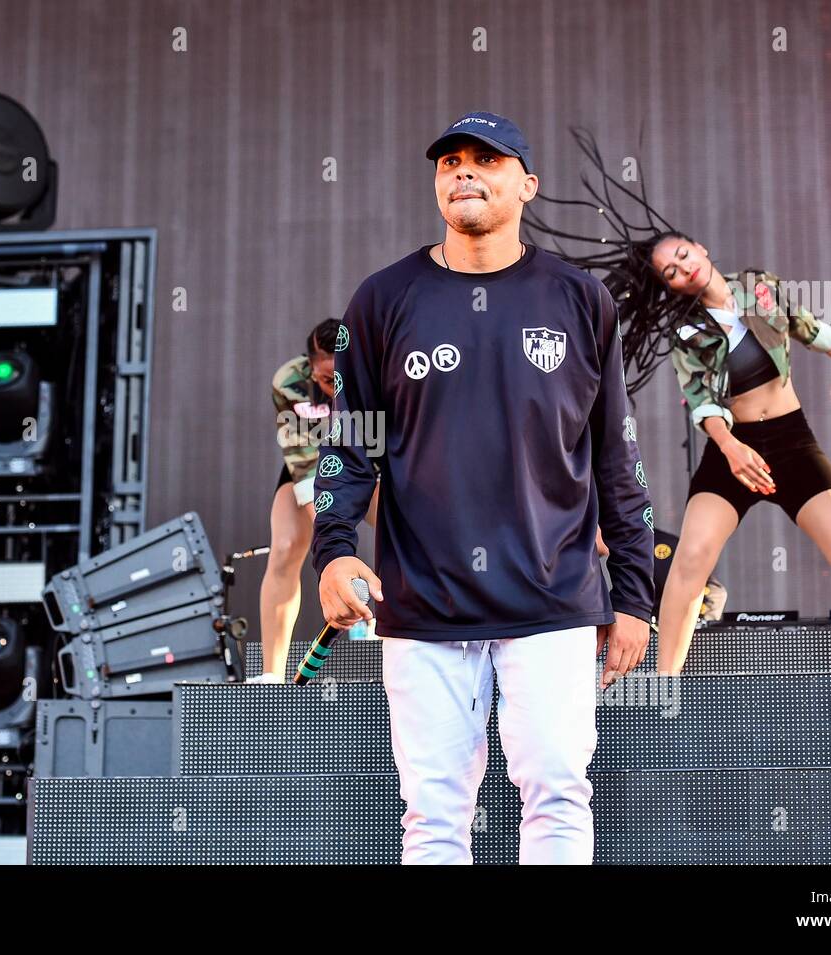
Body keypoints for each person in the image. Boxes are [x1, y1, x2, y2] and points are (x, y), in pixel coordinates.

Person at [311, 112, 655, 864]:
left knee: (558, 796)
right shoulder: (381, 299)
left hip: (552, 596)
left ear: (526, 185)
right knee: (434, 817)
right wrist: (332, 551)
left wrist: (634, 593)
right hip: (425, 602)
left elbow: (616, 457)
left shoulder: (579, 298)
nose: (464, 171)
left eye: (486, 160)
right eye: (450, 161)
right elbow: (348, 444)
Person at [524, 128, 831, 675]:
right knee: (689, 562)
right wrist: (732, 449)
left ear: (700, 249)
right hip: (732, 447)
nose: (683, 268)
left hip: (791, 439)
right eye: (671, 271)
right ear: (671, 285)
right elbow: (701, 400)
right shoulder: (688, 332)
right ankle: (665, 690)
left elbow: (806, 325)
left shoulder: (759, 284)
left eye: (684, 256)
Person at [256, 320, 378, 682]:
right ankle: (271, 675)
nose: (335, 387)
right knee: (286, 545)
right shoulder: (288, 382)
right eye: (327, 380)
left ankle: (390, 628)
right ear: (309, 366)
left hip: (370, 459)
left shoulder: (376, 370)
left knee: (400, 526)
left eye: (341, 377)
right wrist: (335, 545)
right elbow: (305, 463)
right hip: (317, 464)